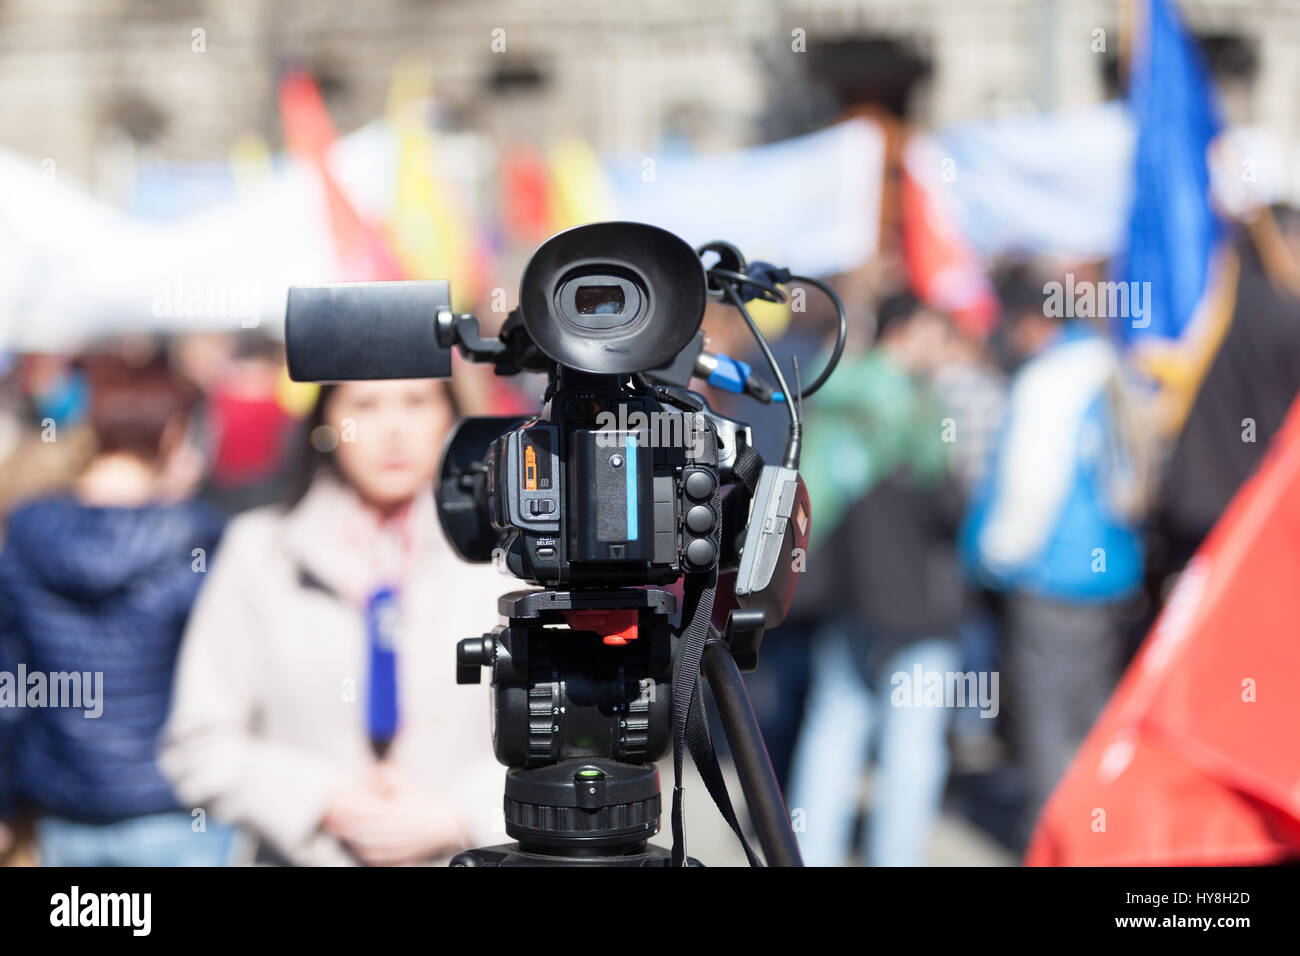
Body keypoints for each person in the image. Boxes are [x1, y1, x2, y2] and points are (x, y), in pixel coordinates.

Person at [160, 378, 507, 866]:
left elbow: (580, 739)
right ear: (326, 420)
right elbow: (198, 743)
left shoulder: (506, 562)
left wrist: (462, 815)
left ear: (450, 416)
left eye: (416, 402)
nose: (393, 429)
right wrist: (324, 800)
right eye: (364, 405)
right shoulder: (261, 551)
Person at [0, 356, 233, 866]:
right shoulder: (198, 540)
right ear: (175, 438)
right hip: (176, 813)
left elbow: (9, 688)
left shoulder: (27, 534)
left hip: (67, 817)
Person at [963, 273, 1148, 844]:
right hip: (1109, 571)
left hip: (1050, 575)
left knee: (1044, 722)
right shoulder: (1111, 367)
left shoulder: (1048, 382)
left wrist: (994, 556)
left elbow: (1029, 488)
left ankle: (1056, 845)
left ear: (1030, 321)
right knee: (1090, 713)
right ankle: (1099, 835)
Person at [787, 292, 964, 866]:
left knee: (834, 727)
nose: (943, 350)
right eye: (937, 334)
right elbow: (951, 509)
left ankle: (811, 854)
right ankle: (896, 857)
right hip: (917, 605)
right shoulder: (918, 413)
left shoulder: (832, 395)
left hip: (848, 596)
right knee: (911, 745)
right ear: (906, 332)